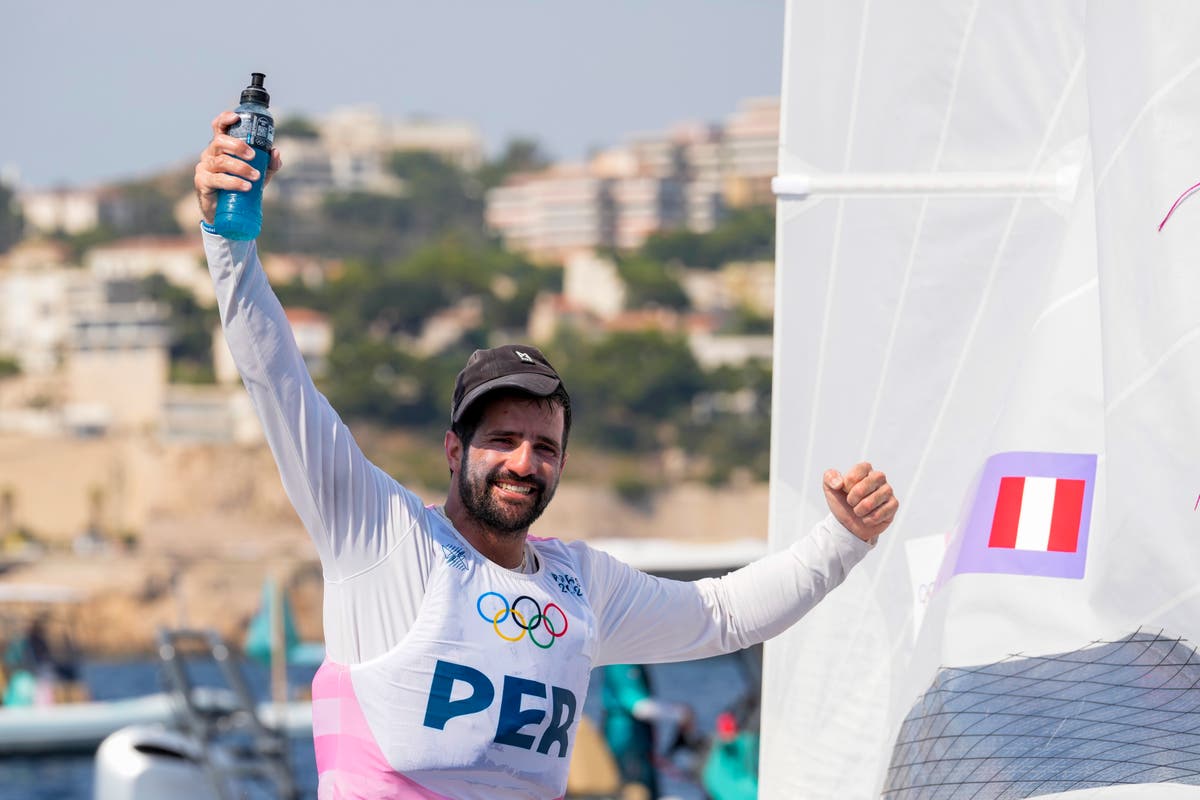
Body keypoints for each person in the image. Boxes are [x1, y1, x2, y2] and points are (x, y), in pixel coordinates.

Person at [194, 111, 899, 800]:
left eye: (544, 447)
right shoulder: (383, 539)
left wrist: (844, 537)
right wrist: (229, 247)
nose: (523, 464)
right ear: (453, 448)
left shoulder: (582, 585)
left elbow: (722, 615)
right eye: (501, 440)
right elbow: (278, 382)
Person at [600, 663, 693, 798]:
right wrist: (681, 713)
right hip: (627, 738)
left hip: (640, 740)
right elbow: (639, 707)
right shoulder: (622, 662)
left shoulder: (635, 660)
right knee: (633, 789)